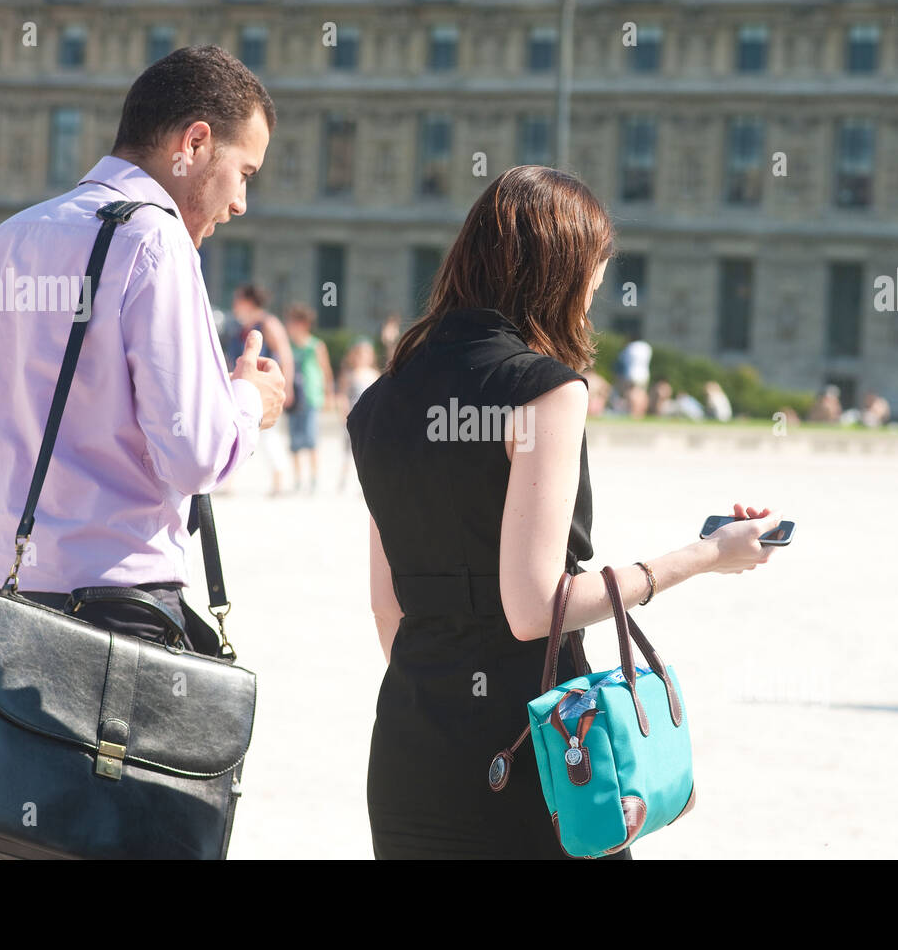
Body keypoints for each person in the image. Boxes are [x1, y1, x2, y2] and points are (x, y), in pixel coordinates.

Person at [346, 165, 781, 860]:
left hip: (409, 748)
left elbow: (387, 609)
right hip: (536, 753)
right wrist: (707, 554)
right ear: (558, 276)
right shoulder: (544, 391)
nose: (587, 308)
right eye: (591, 286)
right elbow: (534, 607)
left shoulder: (380, 400)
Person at [0, 46, 285, 646]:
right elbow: (193, 456)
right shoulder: (154, 241)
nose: (240, 203)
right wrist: (249, 401)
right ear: (194, 143)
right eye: (244, 173)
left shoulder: (6, 240)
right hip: (113, 603)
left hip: (1, 591)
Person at [229, 284, 294, 496]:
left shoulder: (267, 323)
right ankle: (230, 480)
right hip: (243, 388)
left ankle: (280, 479)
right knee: (237, 432)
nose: (235, 303)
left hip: (262, 388)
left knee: (269, 435)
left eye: (238, 298)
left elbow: (284, 354)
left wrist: (287, 386)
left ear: (249, 301)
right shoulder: (243, 326)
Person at [284, 302, 334, 493]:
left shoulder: (316, 345)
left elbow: (326, 371)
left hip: (311, 396)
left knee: (311, 439)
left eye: (292, 322)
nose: (289, 326)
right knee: (295, 441)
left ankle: (314, 478)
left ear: (303, 324)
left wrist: (329, 395)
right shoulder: (287, 346)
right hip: (294, 399)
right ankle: (298, 479)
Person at [337, 337, 380, 491]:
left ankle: (366, 484)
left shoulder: (374, 374)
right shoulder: (349, 374)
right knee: (349, 450)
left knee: (368, 451)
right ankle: (343, 480)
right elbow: (342, 395)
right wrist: (343, 412)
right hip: (352, 416)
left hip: (369, 418)